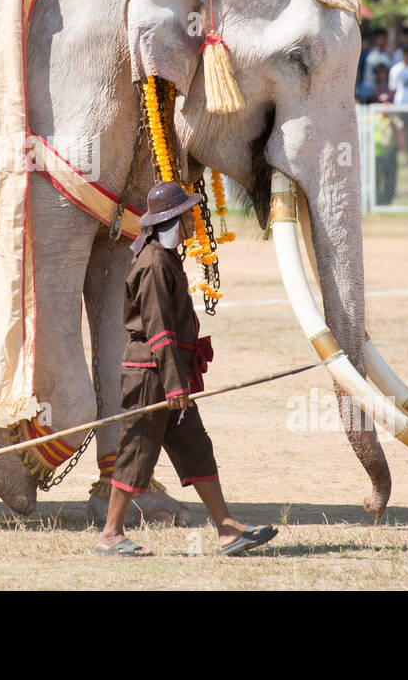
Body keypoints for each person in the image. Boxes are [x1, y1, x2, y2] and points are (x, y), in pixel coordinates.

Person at [97, 181, 276, 557]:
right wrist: (175, 384)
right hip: (152, 375)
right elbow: (159, 328)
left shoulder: (165, 257)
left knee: (196, 448)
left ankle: (227, 530)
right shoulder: (154, 264)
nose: (194, 221)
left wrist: (177, 382)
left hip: (168, 374)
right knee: (136, 451)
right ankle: (111, 534)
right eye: (187, 214)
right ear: (172, 220)